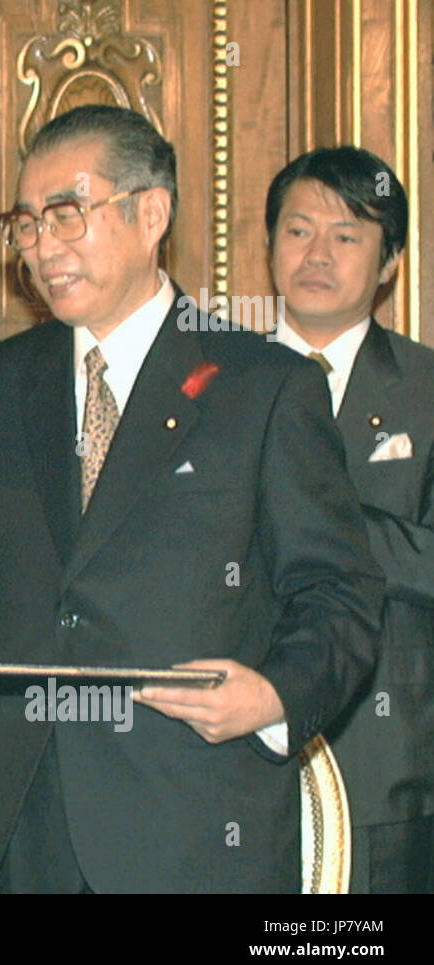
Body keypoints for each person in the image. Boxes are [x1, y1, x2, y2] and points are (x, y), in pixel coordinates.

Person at [0, 105, 384, 892]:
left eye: (68, 215)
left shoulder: (263, 385)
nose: (42, 249)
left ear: (151, 213)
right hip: (27, 828)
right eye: (28, 225)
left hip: (191, 825)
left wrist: (273, 696)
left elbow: (340, 591)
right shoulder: (6, 381)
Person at [266, 145, 434, 893]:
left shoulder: (427, 392)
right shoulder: (206, 383)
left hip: (386, 765)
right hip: (227, 763)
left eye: (347, 235)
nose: (317, 254)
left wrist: (311, 517)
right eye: (298, 230)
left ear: (391, 260)